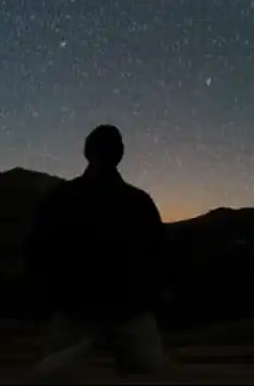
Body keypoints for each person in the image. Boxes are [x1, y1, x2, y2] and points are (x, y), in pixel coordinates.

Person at [25, 124, 169, 381]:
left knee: (54, 375)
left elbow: (38, 248)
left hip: (85, 308)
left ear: (87, 151)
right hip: (119, 309)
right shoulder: (138, 201)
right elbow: (158, 254)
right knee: (146, 371)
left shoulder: (60, 197)